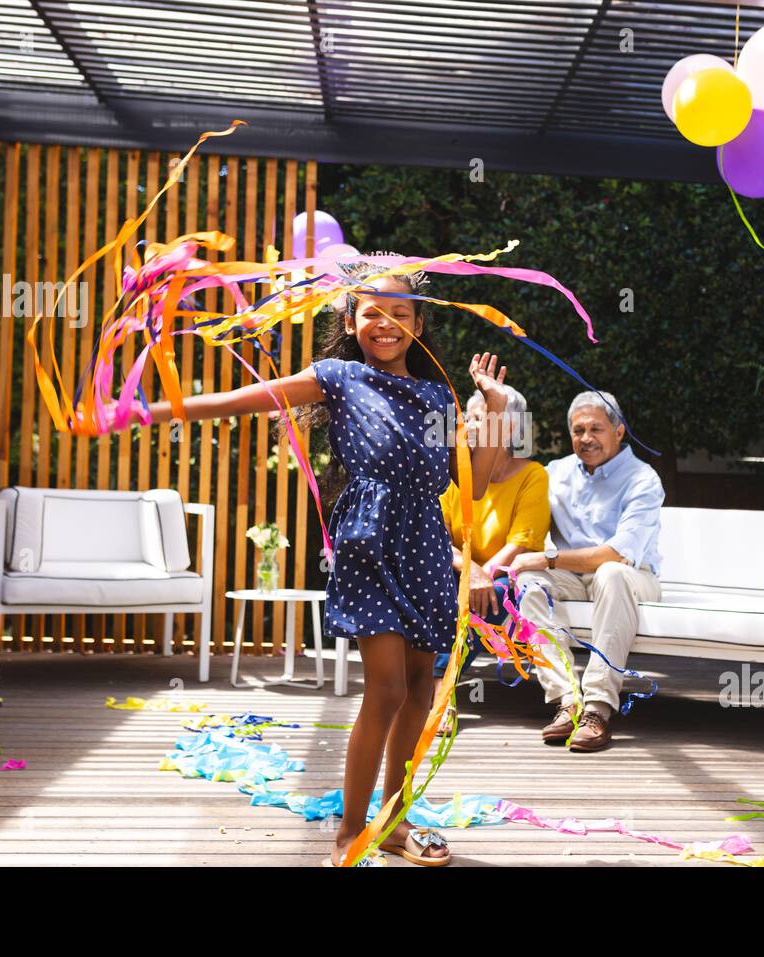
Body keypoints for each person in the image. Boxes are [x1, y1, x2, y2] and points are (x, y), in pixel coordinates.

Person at [146, 261, 507, 867]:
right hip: (369, 542)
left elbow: (474, 482)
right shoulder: (338, 376)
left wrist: (492, 406)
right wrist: (155, 412)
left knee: (422, 684)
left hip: (423, 544)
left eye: (399, 314)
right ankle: (348, 832)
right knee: (386, 687)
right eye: (372, 312)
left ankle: (395, 820)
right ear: (350, 319)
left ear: (419, 325)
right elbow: (241, 399)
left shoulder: (436, 395)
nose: (385, 324)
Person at [509, 390, 664, 753]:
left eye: (596, 428)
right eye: (578, 431)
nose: (586, 438)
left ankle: (597, 709)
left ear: (619, 431)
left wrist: (546, 559)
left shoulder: (643, 479)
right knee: (529, 582)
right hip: (574, 579)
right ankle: (567, 702)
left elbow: (617, 555)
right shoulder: (555, 473)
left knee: (610, 572)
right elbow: (515, 505)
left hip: (633, 577)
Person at [433, 385, 549, 734]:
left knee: (488, 594)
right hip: (460, 572)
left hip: (505, 578)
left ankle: (440, 693)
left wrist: (480, 575)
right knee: (438, 586)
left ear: (508, 428)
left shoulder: (533, 476)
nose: (467, 426)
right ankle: (435, 689)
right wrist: (471, 573)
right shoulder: (452, 475)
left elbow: (520, 545)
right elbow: (436, 539)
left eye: (480, 418)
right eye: (468, 417)